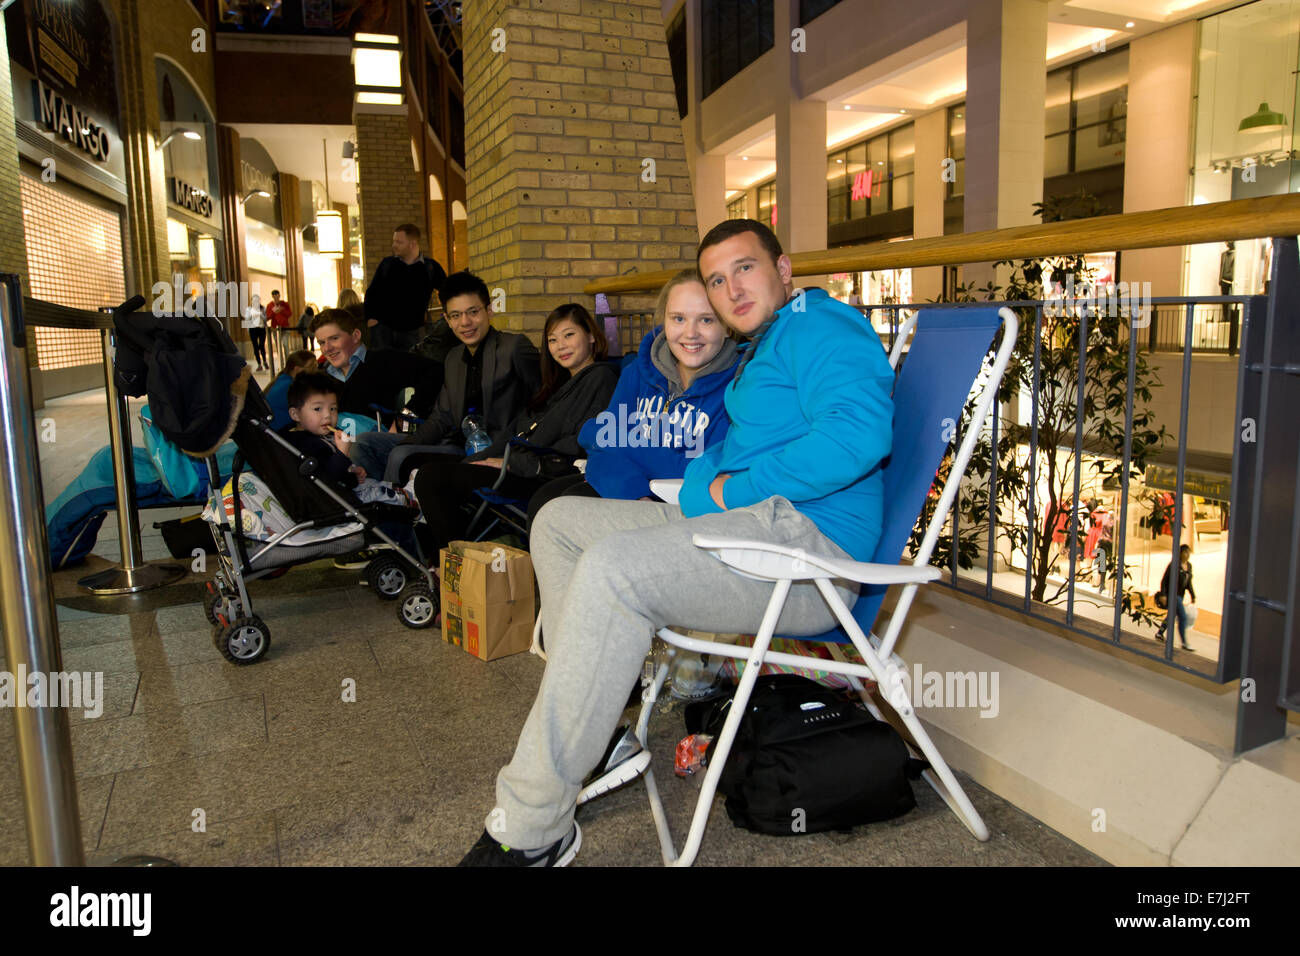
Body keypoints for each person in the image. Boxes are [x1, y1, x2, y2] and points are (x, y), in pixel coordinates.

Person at [457, 219, 895, 866]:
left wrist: (729, 491)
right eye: (717, 279)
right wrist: (701, 491)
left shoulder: (823, 328)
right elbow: (726, 449)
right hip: (747, 531)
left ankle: (532, 824)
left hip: (806, 555)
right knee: (560, 523)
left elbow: (858, 437)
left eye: (744, 268)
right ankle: (596, 725)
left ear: (785, 269)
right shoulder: (764, 350)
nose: (731, 289)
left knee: (613, 570)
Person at [525, 268, 740, 527]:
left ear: (727, 326)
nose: (690, 332)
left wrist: (614, 439)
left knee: (568, 513)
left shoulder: (739, 386)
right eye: (678, 318)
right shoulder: (637, 372)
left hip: (688, 507)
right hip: (633, 491)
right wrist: (636, 496)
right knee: (543, 501)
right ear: (663, 323)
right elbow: (599, 450)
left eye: (706, 320)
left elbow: (700, 469)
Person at [412, 304, 617, 555]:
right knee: (427, 470)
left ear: (591, 336)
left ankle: (454, 567)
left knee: (431, 478)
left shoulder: (602, 378)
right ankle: (454, 567)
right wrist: (476, 461)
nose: (560, 346)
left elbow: (579, 445)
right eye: (552, 340)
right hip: (515, 464)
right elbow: (512, 432)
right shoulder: (555, 386)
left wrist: (512, 463)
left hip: (541, 477)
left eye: (569, 335)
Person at [348, 271, 541, 485]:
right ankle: (378, 500)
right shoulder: (454, 357)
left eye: (473, 312)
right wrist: (406, 442)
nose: (465, 322)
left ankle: (395, 508)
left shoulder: (513, 348)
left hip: (495, 448)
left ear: (489, 310)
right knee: (365, 442)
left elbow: (544, 400)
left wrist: (520, 447)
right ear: (448, 321)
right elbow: (442, 417)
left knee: (400, 457)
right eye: (456, 315)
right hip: (454, 444)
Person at [280, 373, 415, 509]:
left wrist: (353, 473)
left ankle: (408, 493)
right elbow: (328, 479)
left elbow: (339, 472)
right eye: (317, 409)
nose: (327, 415)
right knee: (379, 493)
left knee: (377, 484)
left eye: (333, 408)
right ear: (295, 414)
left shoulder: (321, 434)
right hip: (337, 501)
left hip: (351, 489)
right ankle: (411, 502)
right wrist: (343, 453)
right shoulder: (300, 443)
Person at [308, 308, 442, 429]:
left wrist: (406, 416)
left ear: (355, 336)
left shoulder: (383, 360)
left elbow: (436, 371)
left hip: (375, 447)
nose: (327, 348)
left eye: (334, 338)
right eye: (322, 342)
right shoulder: (321, 378)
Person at [364, 223, 448, 351]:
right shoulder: (387, 265)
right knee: (384, 367)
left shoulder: (430, 268)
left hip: (414, 331)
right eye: (394, 241)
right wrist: (371, 319)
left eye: (399, 242)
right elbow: (372, 293)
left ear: (413, 244)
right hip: (384, 331)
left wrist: (449, 315)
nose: (394, 246)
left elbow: (447, 292)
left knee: (412, 367)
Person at [264, 350, 320, 430]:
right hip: (279, 433)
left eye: (316, 366)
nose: (315, 370)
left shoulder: (283, 379)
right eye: (311, 367)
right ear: (297, 369)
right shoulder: (290, 386)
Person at [1155, 544, 1196, 650]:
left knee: (1171, 615)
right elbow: (1164, 580)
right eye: (1185, 552)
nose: (1187, 555)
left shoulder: (1189, 566)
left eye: (1188, 552)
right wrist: (1163, 595)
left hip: (1180, 595)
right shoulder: (1174, 565)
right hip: (1172, 594)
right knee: (1183, 617)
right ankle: (1184, 642)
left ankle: (1159, 633)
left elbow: (1188, 582)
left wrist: (1192, 595)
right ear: (1180, 553)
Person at [243, 293, 268, 371]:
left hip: (261, 329)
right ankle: (259, 364)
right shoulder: (249, 309)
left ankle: (265, 361)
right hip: (253, 329)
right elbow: (246, 318)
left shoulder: (263, 308)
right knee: (255, 347)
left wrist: (260, 314)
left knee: (261, 345)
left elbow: (265, 318)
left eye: (257, 301)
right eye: (254, 301)